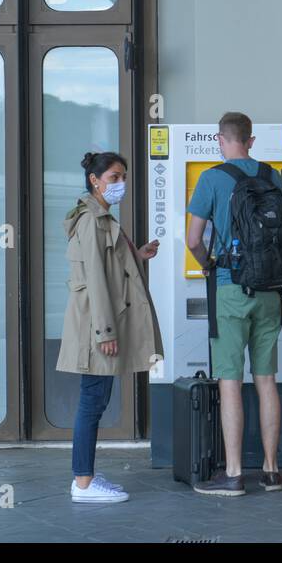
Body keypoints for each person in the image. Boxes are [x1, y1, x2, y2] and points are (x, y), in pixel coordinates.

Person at [186, 112, 282, 496]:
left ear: (219, 140)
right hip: (270, 289)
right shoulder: (271, 175)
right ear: (251, 139)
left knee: (231, 381)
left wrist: (209, 265)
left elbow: (193, 239)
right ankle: (272, 470)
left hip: (230, 288)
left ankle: (232, 474)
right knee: (266, 380)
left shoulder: (211, 178)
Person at [57, 151, 164, 504]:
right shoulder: (91, 220)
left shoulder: (101, 217)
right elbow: (96, 280)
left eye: (123, 177)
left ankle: (85, 474)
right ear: (95, 180)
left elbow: (109, 262)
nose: (121, 184)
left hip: (100, 325)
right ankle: (83, 483)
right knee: (91, 401)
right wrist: (105, 333)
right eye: (115, 177)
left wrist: (138, 254)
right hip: (96, 327)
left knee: (96, 399)